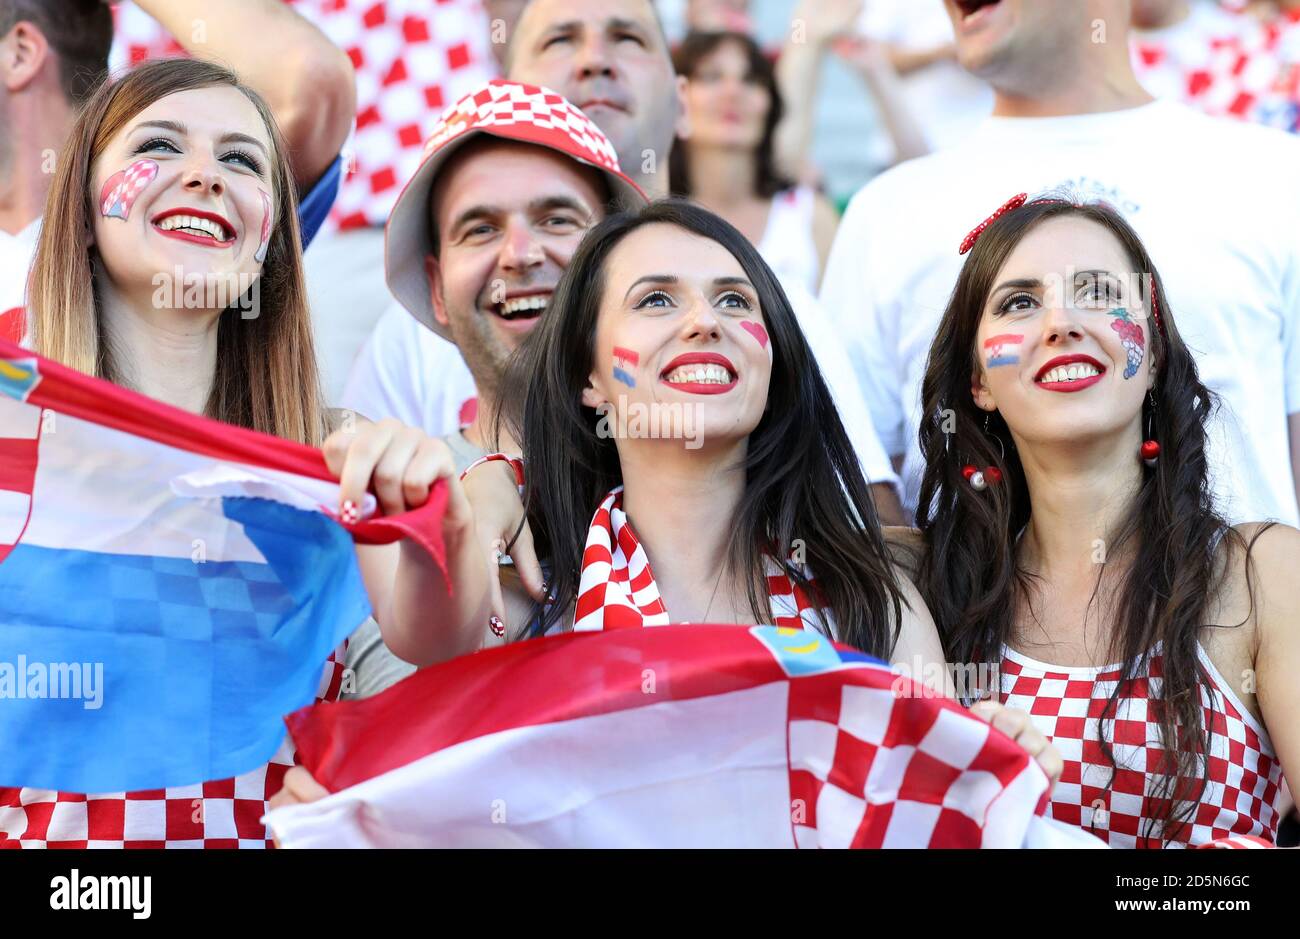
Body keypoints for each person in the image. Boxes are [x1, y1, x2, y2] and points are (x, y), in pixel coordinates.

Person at [0, 58, 427, 849]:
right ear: (84, 211)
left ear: (270, 239)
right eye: (158, 145)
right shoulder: (7, 445)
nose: (204, 176)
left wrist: (360, 811)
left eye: (240, 160)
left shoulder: (329, 475)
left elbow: (417, 750)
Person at [344, 0, 904, 517]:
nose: (594, 61)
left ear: (683, 102)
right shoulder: (404, 343)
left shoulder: (765, 310)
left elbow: (866, 547)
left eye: (627, 39)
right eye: (560, 39)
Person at [908, 193, 1299, 848]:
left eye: (1097, 292)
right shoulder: (914, 580)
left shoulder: (1265, 572)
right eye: (1019, 302)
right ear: (978, 381)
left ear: (1154, 354)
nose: (1060, 322)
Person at [820, 0, 1300, 529]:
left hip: (1248, 608)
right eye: (1020, 303)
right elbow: (852, 473)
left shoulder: (1276, 178)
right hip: (969, 609)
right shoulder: (885, 211)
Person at [341, 78, 648, 700]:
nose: (520, 253)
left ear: (623, 262)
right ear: (436, 289)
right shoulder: (388, 495)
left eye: (556, 218)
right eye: (479, 229)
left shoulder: (704, 456)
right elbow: (398, 743)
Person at [0, 0, 354, 345]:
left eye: (237, 159)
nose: (205, 178)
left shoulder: (144, 235)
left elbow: (308, 81)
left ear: (19, 53)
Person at [669, 30, 839, 294]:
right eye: (711, 77)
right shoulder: (653, 219)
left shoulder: (811, 216)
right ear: (677, 99)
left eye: (750, 79)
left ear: (770, 105)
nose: (733, 91)